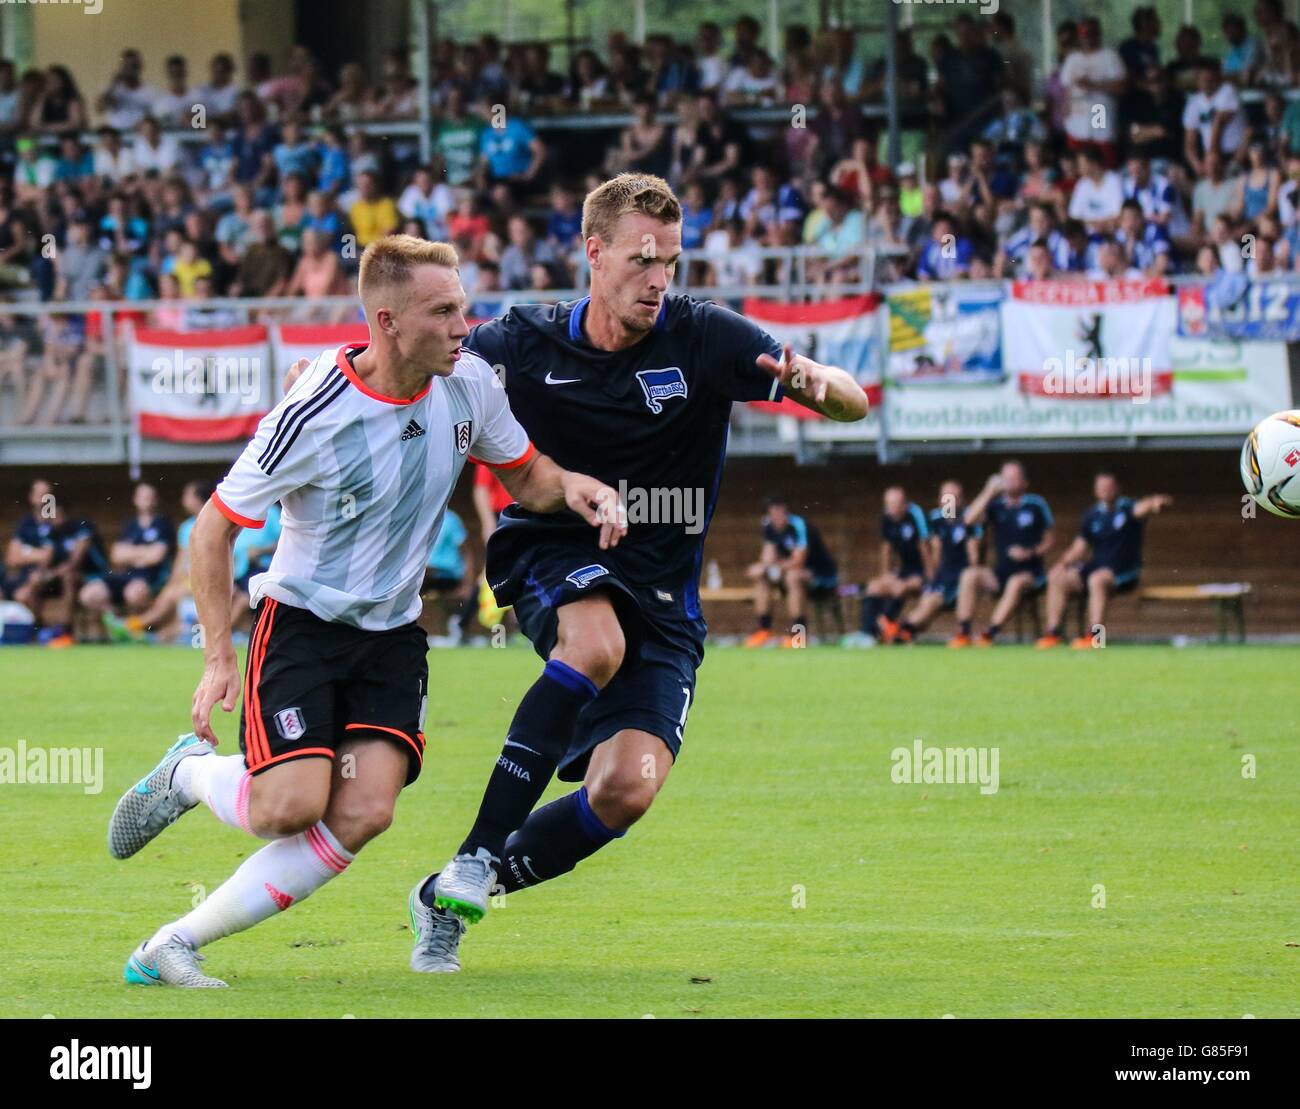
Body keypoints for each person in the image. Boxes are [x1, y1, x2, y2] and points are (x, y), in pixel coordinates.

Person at [106, 234, 625, 989]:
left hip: (391, 634)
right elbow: (215, 527)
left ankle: (171, 944)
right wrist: (219, 656)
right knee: (289, 804)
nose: (462, 325)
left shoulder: (469, 382)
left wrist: (574, 486)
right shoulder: (313, 409)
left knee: (365, 811)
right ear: (386, 321)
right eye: (442, 310)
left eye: (463, 307)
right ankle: (189, 774)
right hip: (303, 627)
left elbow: (526, 472)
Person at [408, 172, 868, 970]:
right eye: (641, 260)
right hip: (555, 549)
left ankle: (449, 891)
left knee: (628, 788)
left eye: (671, 263)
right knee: (592, 644)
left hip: (664, 598)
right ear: (594, 252)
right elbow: (416, 364)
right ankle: (478, 853)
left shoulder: (704, 337)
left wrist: (819, 385)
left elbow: (854, 400)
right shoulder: (523, 343)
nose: (659, 280)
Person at [1037, 475, 1172, 648]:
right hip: (1097, 568)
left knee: (1097, 580)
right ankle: (1052, 633)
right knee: (1058, 578)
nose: (1105, 490)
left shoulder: (1127, 508)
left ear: (1118, 488)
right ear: (1095, 490)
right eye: (1101, 487)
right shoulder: (1092, 515)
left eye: (1109, 487)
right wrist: (1061, 565)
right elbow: (1079, 548)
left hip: (1124, 572)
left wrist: (1154, 503)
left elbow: (1142, 508)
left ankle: (1096, 637)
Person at [949, 461, 1055, 648]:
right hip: (1000, 573)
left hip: (1030, 574)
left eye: (1013, 478)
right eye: (1005, 477)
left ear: (1024, 482)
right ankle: (963, 632)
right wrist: (989, 491)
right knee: (969, 575)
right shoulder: (996, 505)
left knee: (1016, 582)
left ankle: (989, 633)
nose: (1008, 482)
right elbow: (968, 520)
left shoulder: (1036, 504)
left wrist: (1029, 552)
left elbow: (1050, 541)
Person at [883, 481, 982, 644]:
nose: (950, 502)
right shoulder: (936, 519)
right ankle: (904, 629)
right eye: (947, 498)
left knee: (964, 581)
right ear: (940, 500)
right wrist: (933, 576)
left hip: (962, 575)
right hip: (943, 576)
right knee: (929, 602)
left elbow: (974, 557)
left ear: (962, 499)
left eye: (954, 497)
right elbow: (934, 551)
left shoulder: (970, 520)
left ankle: (963, 633)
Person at [743, 496, 838, 648]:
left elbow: (798, 561)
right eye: (771, 513)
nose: (775, 516)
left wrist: (772, 566)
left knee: (792, 578)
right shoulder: (768, 526)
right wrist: (761, 567)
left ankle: (798, 636)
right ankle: (763, 631)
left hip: (821, 576)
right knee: (762, 577)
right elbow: (768, 556)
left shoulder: (799, 525)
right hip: (790, 573)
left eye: (778, 511)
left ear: (785, 511)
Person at [78, 482, 175, 628]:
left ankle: (136, 628)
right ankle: (119, 624)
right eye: (142, 496)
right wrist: (145, 553)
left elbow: (157, 556)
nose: (146, 500)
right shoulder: (130, 525)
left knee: (133, 593)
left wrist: (131, 553)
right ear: (135, 499)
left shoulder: (163, 524)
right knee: (88, 594)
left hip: (151, 578)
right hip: (124, 575)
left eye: (150, 496)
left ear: (156, 500)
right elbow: (117, 555)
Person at [857, 487, 929, 645]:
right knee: (873, 587)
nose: (893, 509)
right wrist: (886, 574)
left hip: (921, 571)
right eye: (889, 505)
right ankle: (867, 634)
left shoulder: (916, 514)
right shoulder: (887, 517)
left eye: (896, 504)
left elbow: (925, 545)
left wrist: (930, 576)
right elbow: (886, 547)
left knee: (900, 588)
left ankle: (885, 628)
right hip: (904, 570)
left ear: (905, 504)